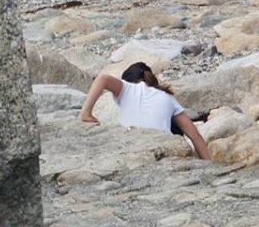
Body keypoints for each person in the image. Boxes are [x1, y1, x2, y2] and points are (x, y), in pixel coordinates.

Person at [78, 62, 211, 160]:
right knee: (174, 126)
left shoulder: (126, 88)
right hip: (165, 151)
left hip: (134, 150)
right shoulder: (167, 97)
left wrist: (86, 113)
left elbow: (103, 79)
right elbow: (195, 136)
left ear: (127, 80)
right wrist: (209, 166)